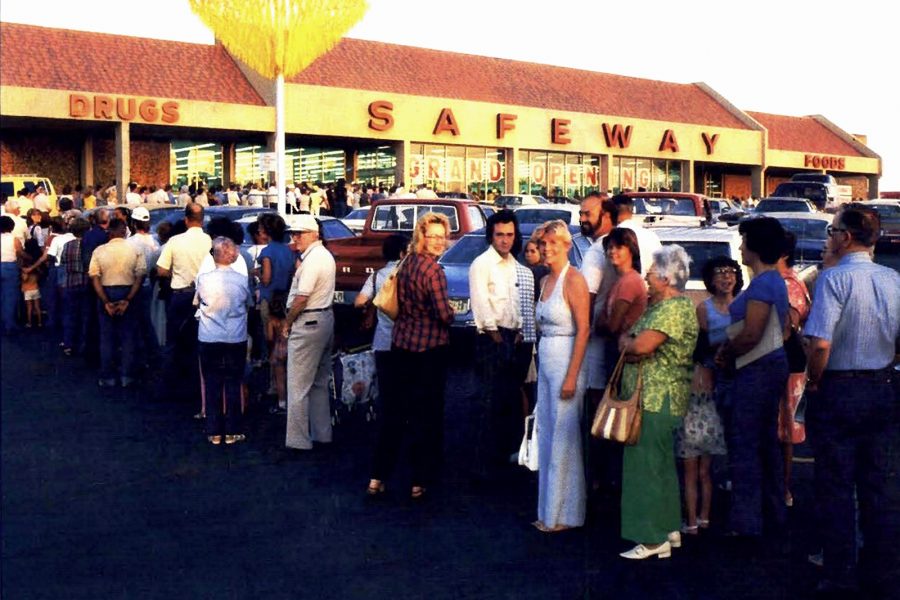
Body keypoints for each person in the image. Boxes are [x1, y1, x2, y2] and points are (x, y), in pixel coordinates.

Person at [803, 204, 900, 596]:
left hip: (840, 389)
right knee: (877, 485)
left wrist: (814, 379)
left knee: (836, 486)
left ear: (845, 237)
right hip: (882, 386)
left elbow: (821, 342)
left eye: (832, 230)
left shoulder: (833, 279)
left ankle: (839, 574)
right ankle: (881, 571)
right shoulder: (893, 278)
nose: (830, 237)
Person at [617, 245, 697, 559]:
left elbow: (640, 346)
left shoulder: (672, 309)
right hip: (654, 398)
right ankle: (667, 529)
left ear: (666, 276)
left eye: (651, 271)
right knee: (660, 465)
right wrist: (630, 342)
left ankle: (651, 538)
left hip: (655, 398)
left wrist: (628, 343)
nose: (647, 276)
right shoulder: (661, 306)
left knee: (644, 467)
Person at [367, 213, 454, 500]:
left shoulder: (405, 264)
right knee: (425, 417)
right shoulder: (433, 271)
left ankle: (377, 477)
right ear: (422, 238)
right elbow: (444, 314)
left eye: (442, 236)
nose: (439, 242)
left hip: (400, 345)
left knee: (393, 414)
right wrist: (450, 313)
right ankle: (419, 480)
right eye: (433, 237)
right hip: (428, 351)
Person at [716, 217, 790, 538]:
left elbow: (752, 333)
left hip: (755, 371)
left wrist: (726, 353)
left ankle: (746, 523)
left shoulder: (762, 285)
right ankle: (772, 514)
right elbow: (783, 330)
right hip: (770, 367)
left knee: (745, 445)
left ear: (756, 246)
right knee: (766, 445)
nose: (741, 247)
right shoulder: (775, 281)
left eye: (745, 241)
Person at [533, 219, 590, 532]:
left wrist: (571, 377)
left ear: (567, 246)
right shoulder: (544, 282)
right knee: (548, 434)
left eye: (553, 243)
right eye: (543, 243)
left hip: (567, 361)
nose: (547, 248)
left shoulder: (574, 280)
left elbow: (584, 330)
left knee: (564, 439)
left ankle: (565, 515)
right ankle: (548, 511)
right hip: (546, 361)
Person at [469, 210, 535, 481]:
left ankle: (506, 458)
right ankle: (482, 467)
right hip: (491, 339)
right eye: (500, 235)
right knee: (488, 402)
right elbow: (481, 304)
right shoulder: (481, 264)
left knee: (508, 401)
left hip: (514, 338)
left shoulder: (515, 266)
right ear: (491, 235)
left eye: (510, 235)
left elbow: (518, 302)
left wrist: (519, 330)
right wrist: (496, 337)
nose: (505, 240)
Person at [677, 256, 740, 534]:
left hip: (737, 375)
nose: (726, 278)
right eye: (720, 273)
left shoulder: (743, 306)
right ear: (710, 280)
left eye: (730, 272)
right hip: (710, 378)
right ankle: (702, 513)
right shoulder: (704, 308)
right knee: (707, 445)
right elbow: (700, 348)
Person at [281, 214, 336, 451]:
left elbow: (302, 297)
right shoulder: (321, 256)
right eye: (293, 234)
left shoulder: (313, 260)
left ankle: (298, 441)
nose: (295, 238)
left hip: (308, 322)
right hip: (323, 319)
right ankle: (322, 434)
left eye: (299, 234)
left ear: (314, 234)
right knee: (318, 383)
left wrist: (287, 322)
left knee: (298, 386)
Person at [195, 237, 253, 445]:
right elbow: (249, 303)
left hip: (209, 335)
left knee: (211, 382)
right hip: (235, 336)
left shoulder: (203, 279)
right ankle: (233, 429)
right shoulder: (241, 280)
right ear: (231, 254)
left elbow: (197, 302)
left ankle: (213, 430)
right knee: (232, 381)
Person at [156, 203, 212, 400]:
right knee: (200, 341)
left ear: (186, 220)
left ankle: (167, 385)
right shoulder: (210, 241)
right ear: (202, 220)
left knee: (173, 340)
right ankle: (199, 386)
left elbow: (161, 270)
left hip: (180, 294)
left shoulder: (175, 241)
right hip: (204, 295)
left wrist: (175, 274)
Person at [354, 233, 408, 420]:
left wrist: (374, 305)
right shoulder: (407, 275)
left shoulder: (376, 276)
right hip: (407, 341)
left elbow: (359, 301)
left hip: (382, 340)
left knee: (386, 386)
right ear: (403, 253)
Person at [88, 218, 147, 387]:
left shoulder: (99, 251)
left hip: (106, 290)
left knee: (107, 336)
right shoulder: (136, 249)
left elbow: (94, 277)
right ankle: (127, 376)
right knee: (128, 336)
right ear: (124, 231)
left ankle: (107, 376)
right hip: (128, 290)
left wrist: (105, 301)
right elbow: (139, 276)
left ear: (110, 232)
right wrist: (128, 299)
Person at [775, 231, 810, 509]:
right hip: (780, 363)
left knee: (783, 431)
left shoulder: (790, 285)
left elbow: (788, 327)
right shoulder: (777, 281)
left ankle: (783, 489)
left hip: (786, 365)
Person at [598, 228, 647, 374]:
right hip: (616, 349)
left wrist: (604, 325)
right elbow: (600, 323)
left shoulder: (630, 282)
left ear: (631, 250)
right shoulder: (619, 281)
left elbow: (613, 326)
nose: (612, 251)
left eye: (619, 247)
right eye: (610, 247)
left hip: (623, 351)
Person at [127, 206, 161, 362]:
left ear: (134, 223)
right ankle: (152, 354)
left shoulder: (130, 243)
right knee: (147, 321)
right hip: (149, 285)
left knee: (133, 322)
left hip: (132, 285)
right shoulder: (155, 242)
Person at [57, 218, 91, 356]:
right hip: (86, 282)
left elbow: (63, 260)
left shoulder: (68, 245)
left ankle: (68, 344)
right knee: (85, 316)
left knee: (70, 315)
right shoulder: (88, 245)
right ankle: (83, 344)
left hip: (71, 282)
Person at [611, 194, 662, 277]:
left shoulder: (612, 238)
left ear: (611, 214)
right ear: (631, 212)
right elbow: (661, 267)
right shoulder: (652, 236)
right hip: (647, 287)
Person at [1, 215, 26, 334]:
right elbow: (20, 252)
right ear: (11, 226)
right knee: (10, 297)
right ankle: (9, 324)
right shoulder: (14, 239)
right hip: (10, 268)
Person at [265, 295, 289, 414]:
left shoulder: (272, 320)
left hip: (278, 348)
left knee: (280, 378)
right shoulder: (288, 319)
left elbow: (269, 337)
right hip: (290, 347)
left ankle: (282, 403)